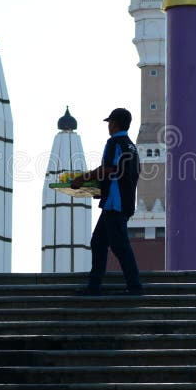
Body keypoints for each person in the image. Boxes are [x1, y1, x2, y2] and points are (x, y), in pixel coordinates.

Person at [71, 108, 143, 295]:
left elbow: (108, 169)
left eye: (110, 122)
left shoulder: (114, 143)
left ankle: (134, 286)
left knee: (120, 246)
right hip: (123, 203)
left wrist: (82, 179)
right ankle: (94, 286)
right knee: (98, 242)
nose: (108, 126)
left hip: (115, 204)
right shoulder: (131, 146)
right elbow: (126, 174)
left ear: (115, 123)